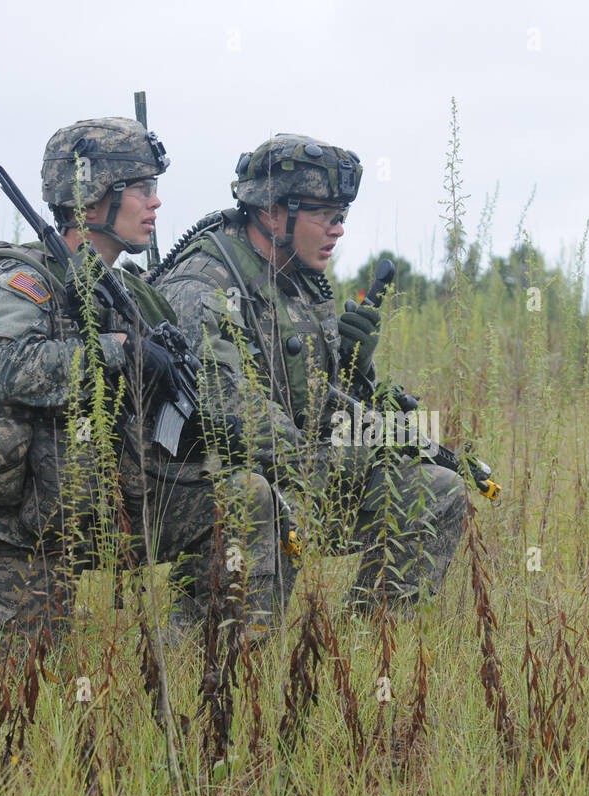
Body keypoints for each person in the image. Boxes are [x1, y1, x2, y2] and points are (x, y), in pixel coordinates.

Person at [0, 117, 290, 662]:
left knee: (244, 497)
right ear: (94, 202)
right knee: (8, 680)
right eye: (142, 189)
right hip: (18, 523)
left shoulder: (127, 292)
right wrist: (118, 351)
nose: (155, 203)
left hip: (103, 503)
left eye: (155, 188)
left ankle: (200, 658)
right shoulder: (25, 282)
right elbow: (10, 366)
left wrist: (206, 425)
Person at [151, 134, 466, 620]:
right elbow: (230, 409)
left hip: (289, 468)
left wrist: (358, 375)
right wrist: (356, 449)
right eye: (325, 215)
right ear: (275, 213)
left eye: (342, 216)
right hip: (200, 477)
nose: (338, 230)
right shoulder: (204, 282)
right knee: (269, 499)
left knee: (436, 490)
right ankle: (209, 653)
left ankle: (366, 648)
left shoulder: (298, 281)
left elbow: (315, 402)